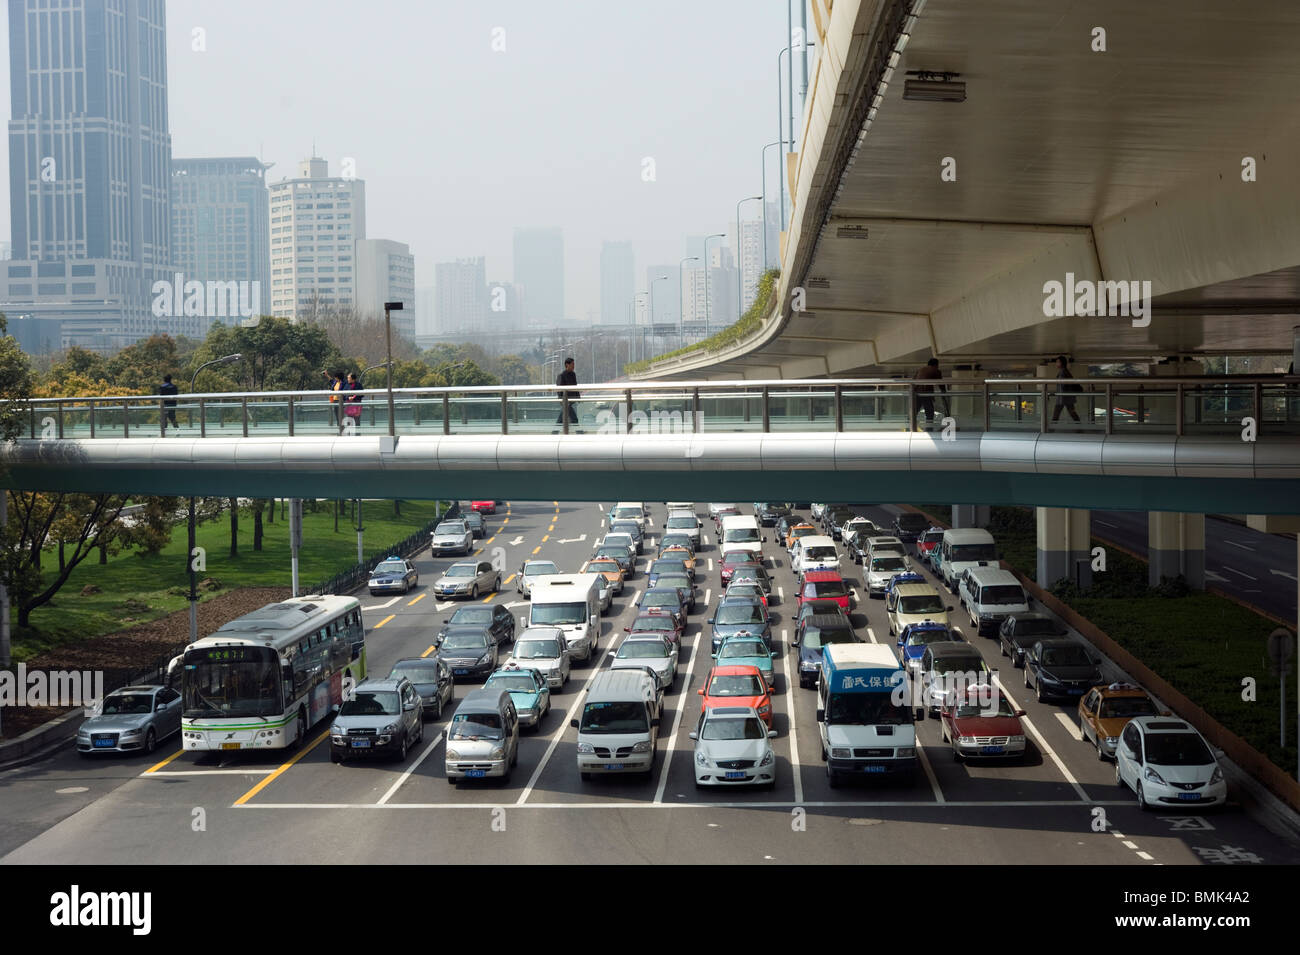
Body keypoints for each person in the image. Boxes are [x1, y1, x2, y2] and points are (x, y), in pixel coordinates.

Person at [913, 358, 944, 429]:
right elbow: (941, 383)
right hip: (925, 392)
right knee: (929, 412)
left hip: (915, 392)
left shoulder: (920, 369)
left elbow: (913, 380)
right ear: (936, 365)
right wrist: (943, 392)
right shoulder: (936, 370)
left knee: (914, 411)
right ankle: (929, 428)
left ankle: (909, 427)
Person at [1051, 354, 1082, 424]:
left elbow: (1062, 385)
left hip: (1063, 397)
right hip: (1067, 397)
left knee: (1056, 415)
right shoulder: (1065, 371)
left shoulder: (1062, 372)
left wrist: (1057, 393)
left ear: (1062, 363)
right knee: (1072, 413)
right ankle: (1080, 428)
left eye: (1058, 362)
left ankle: (1049, 431)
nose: (1056, 363)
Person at [553, 357, 581, 432]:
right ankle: (579, 432)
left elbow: (575, 386)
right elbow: (559, 390)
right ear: (567, 365)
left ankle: (554, 433)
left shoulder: (573, 374)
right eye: (572, 364)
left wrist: (578, 397)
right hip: (565, 401)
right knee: (573, 418)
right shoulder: (561, 375)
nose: (573, 366)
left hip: (571, 401)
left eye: (574, 364)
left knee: (562, 419)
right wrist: (563, 401)